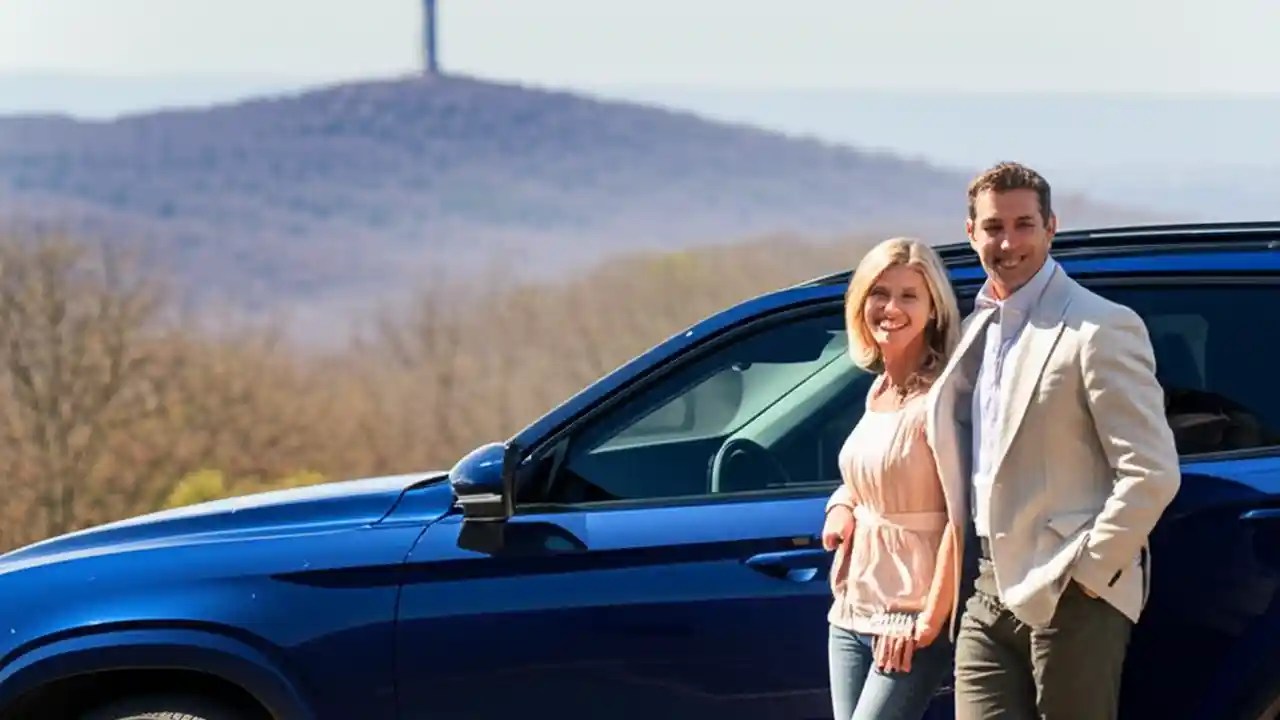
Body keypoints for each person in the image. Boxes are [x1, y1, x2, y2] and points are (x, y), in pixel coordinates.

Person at [931, 162, 1182, 719]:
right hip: (987, 586)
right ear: (971, 232)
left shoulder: (1099, 327)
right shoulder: (974, 328)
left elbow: (1152, 470)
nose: (1009, 241)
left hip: (1072, 590)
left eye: (1024, 224)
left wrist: (1091, 574)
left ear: (1051, 227)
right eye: (994, 227)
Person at [821, 236, 963, 720]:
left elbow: (961, 518)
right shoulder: (879, 390)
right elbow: (873, 475)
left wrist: (927, 621)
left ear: (934, 310)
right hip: (852, 607)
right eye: (879, 293)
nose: (891, 308)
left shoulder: (942, 398)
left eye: (909, 295)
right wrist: (841, 507)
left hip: (908, 615)